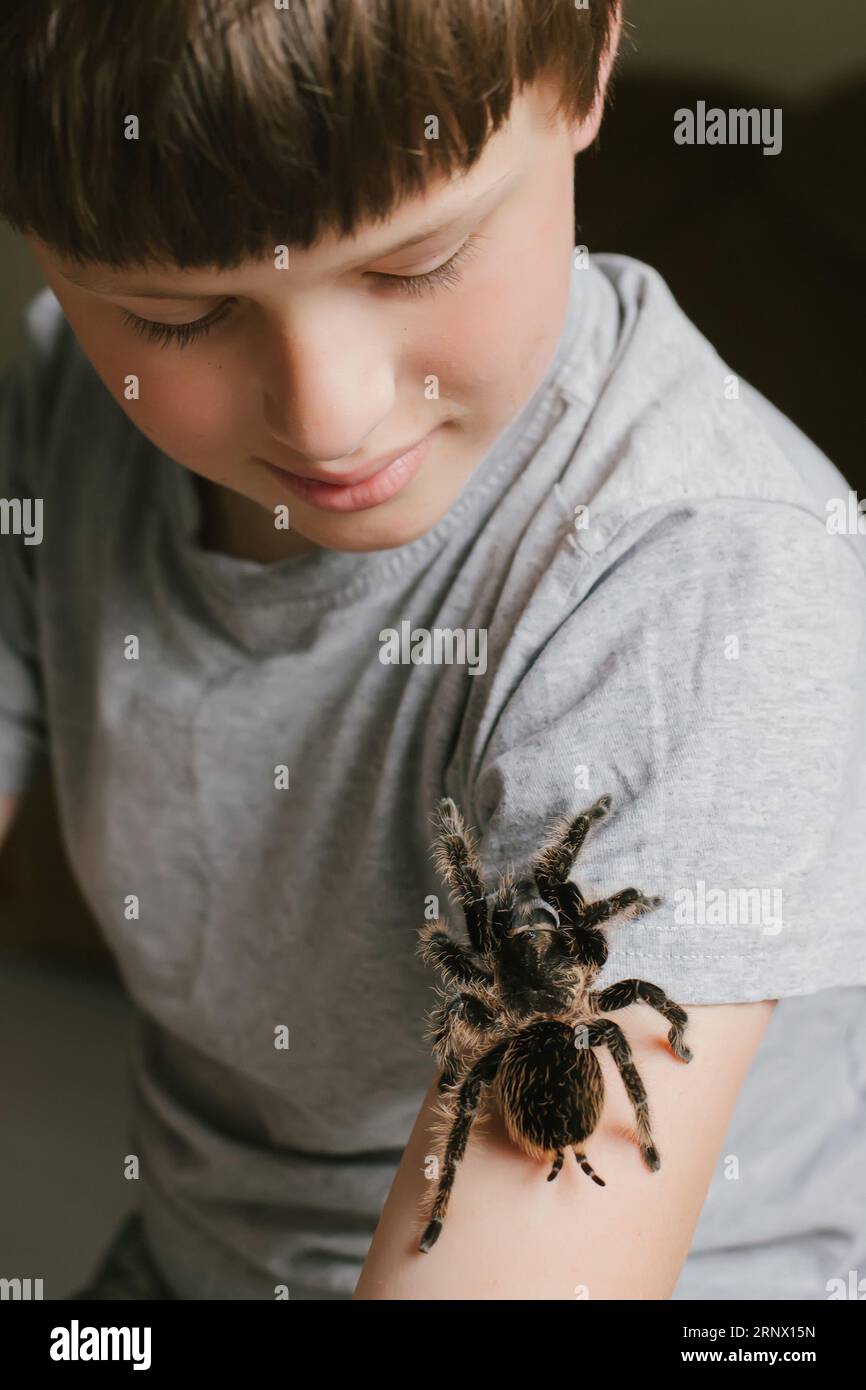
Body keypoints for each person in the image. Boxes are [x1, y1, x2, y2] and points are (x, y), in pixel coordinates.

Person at [1, 0, 864, 1301]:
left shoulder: (704, 577)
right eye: (177, 315)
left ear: (589, 69)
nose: (330, 417)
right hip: (203, 1256)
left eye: (414, 261)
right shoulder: (70, 406)